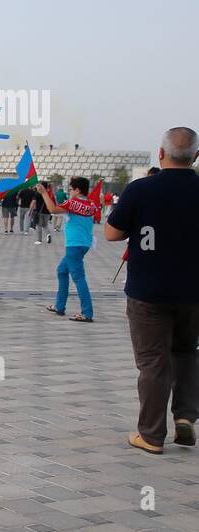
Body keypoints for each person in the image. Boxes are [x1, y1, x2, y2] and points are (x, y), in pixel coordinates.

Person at [105, 127, 199, 455]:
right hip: (194, 294)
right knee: (188, 353)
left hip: (148, 291)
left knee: (153, 362)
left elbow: (112, 234)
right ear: (196, 157)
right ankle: (186, 416)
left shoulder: (140, 189)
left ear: (160, 154)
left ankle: (152, 434)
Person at [40, 177, 96, 323]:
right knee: (62, 271)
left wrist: (44, 193)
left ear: (77, 190)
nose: (69, 192)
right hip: (84, 244)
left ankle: (87, 313)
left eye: (70, 189)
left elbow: (52, 209)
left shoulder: (72, 203)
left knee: (79, 278)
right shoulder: (91, 204)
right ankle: (59, 306)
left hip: (74, 244)